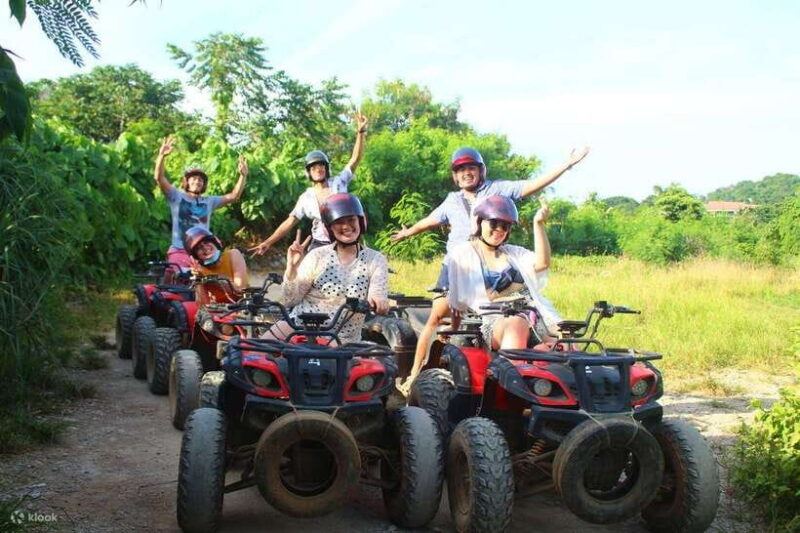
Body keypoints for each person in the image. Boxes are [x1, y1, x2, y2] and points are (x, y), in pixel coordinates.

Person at [391, 146, 587, 393]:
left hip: (494, 265)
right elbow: (430, 220)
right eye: (461, 170)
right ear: (455, 175)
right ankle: (415, 374)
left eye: (471, 168)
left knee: (559, 336)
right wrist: (408, 232)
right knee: (439, 318)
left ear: (481, 171)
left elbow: (531, 185)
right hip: (458, 266)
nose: (466, 173)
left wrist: (566, 164)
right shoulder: (452, 201)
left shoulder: (497, 191)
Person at [403, 195, 561, 390]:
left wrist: (538, 224)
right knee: (516, 323)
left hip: (536, 317)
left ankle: (565, 394)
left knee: (567, 342)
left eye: (505, 226)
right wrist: (453, 329)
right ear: (479, 222)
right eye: (494, 223)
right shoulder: (463, 254)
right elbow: (457, 299)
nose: (500, 230)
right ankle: (511, 388)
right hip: (495, 320)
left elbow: (542, 263)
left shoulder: (513, 253)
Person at [267, 193, 389, 345]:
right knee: (254, 354)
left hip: (341, 338)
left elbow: (377, 294)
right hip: (300, 327)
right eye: (338, 222)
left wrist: (379, 303)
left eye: (351, 220)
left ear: (361, 221)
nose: (346, 226)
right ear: (329, 228)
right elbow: (291, 300)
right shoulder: (317, 256)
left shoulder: (375, 260)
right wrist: (291, 268)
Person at [250, 113, 369, 255]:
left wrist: (361, 132)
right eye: (313, 168)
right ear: (309, 173)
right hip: (320, 243)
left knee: (362, 267)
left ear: (326, 168)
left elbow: (355, 159)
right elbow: (290, 222)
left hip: (345, 238)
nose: (318, 170)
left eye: (321, 166)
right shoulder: (306, 197)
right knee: (308, 274)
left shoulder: (339, 183)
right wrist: (268, 242)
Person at [154, 136, 249, 270]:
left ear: (203, 185)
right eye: (193, 179)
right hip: (180, 250)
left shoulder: (209, 201)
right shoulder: (176, 196)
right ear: (187, 182)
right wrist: (161, 156)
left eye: (200, 180)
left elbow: (234, 196)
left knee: (212, 281)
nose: (197, 182)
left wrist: (243, 176)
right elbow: (159, 178)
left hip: (203, 252)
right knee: (180, 281)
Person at [184, 227, 249, 292]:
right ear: (196, 256)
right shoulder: (199, 270)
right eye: (198, 248)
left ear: (215, 242)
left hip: (240, 301)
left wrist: (217, 280)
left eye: (206, 242)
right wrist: (198, 277)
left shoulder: (232, 254)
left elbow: (241, 288)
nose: (204, 247)